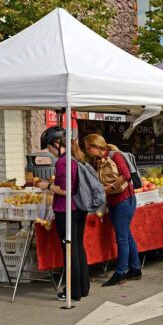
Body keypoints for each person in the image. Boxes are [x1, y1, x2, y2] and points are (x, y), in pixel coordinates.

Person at [84, 134, 142, 286]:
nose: (87, 151)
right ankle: (135, 269)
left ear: (96, 146)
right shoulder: (96, 160)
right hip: (114, 201)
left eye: (88, 147)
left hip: (124, 200)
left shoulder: (115, 155)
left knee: (121, 238)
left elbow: (126, 175)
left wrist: (111, 187)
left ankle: (120, 272)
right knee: (127, 236)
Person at [38, 127, 89, 301]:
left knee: (69, 250)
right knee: (78, 247)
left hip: (66, 209)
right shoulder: (75, 158)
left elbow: (65, 190)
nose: (50, 152)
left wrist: (48, 187)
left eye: (50, 148)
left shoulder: (62, 162)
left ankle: (72, 292)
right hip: (80, 208)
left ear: (57, 144)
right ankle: (83, 287)